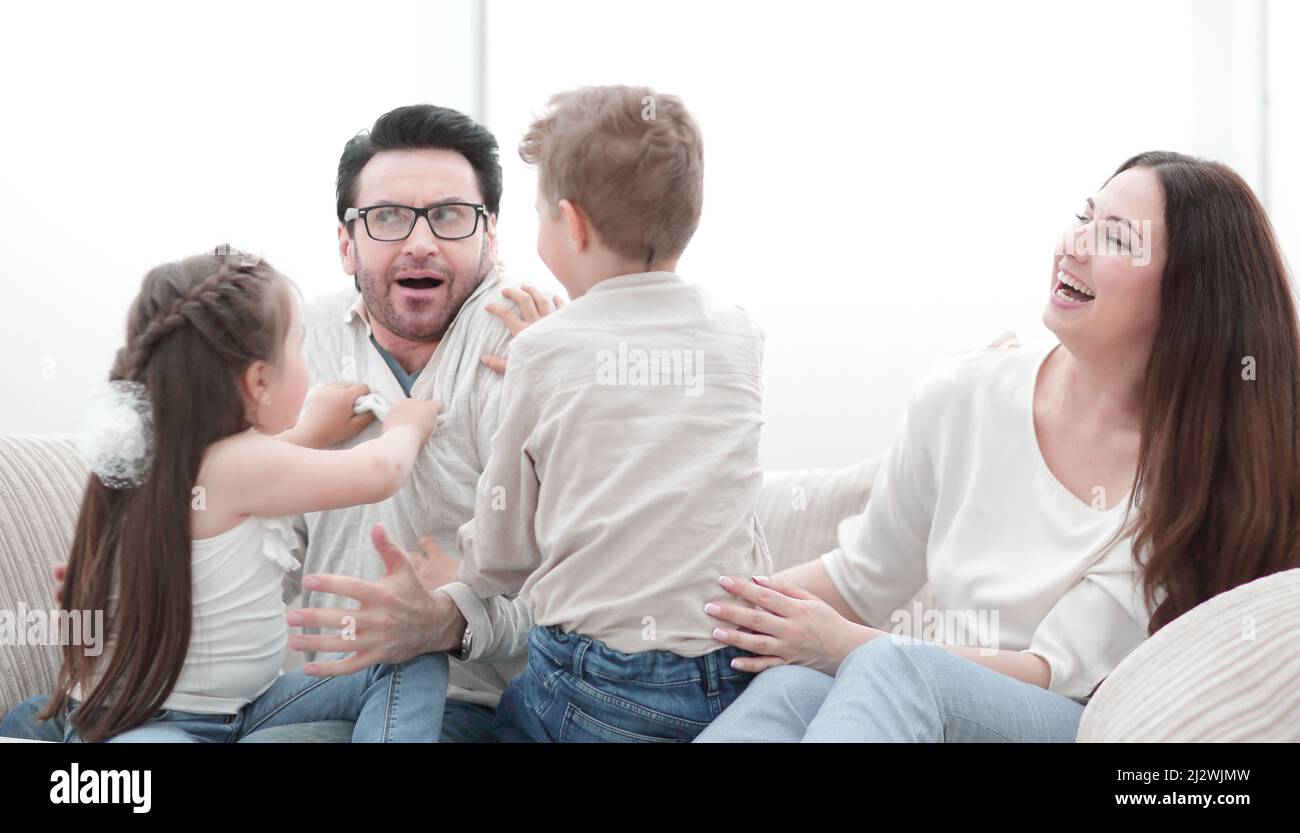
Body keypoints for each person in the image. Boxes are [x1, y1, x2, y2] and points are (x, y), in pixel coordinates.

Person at [697, 151, 1300, 742]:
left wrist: (840, 643)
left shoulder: (1188, 477)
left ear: (1187, 297)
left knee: (894, 667)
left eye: (1117, 239)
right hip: (920, 691)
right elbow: (860, 578)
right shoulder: (965, 392)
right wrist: (704, 603)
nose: (1075, 244)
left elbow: (1052, 670)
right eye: (1084, 217)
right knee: (789, 690)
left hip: (1058, 716)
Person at [10, 249, 446, 742]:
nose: (307, 365)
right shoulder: (241, 464)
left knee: (409, 653)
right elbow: (380, 471)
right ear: (260, 379)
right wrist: (407, 425)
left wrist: (310, 431)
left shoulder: (159, 458)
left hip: (240, 710)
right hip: (153, 727)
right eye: (298, 348)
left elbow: (236, 482)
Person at [456, 85, 771, 742]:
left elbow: (501, 556)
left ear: (570, 224)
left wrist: (463, 562)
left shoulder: (543, 351)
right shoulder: (740, 336)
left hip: (596, 684)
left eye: (540, 214)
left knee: (505, 718)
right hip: (730, 675)